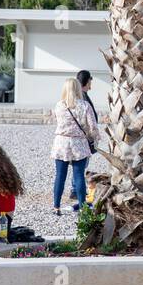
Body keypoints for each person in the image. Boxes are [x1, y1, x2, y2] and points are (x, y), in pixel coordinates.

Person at [51, 76, 100, 215]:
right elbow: (93, 127)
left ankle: (56, 206)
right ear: (78, 88)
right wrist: (94, 138)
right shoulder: (85, 106)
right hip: (79, 143)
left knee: (60, 175)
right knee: (79, 176)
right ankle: (84, 208)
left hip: (61, 143)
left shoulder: (59, 105)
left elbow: (57, 121)